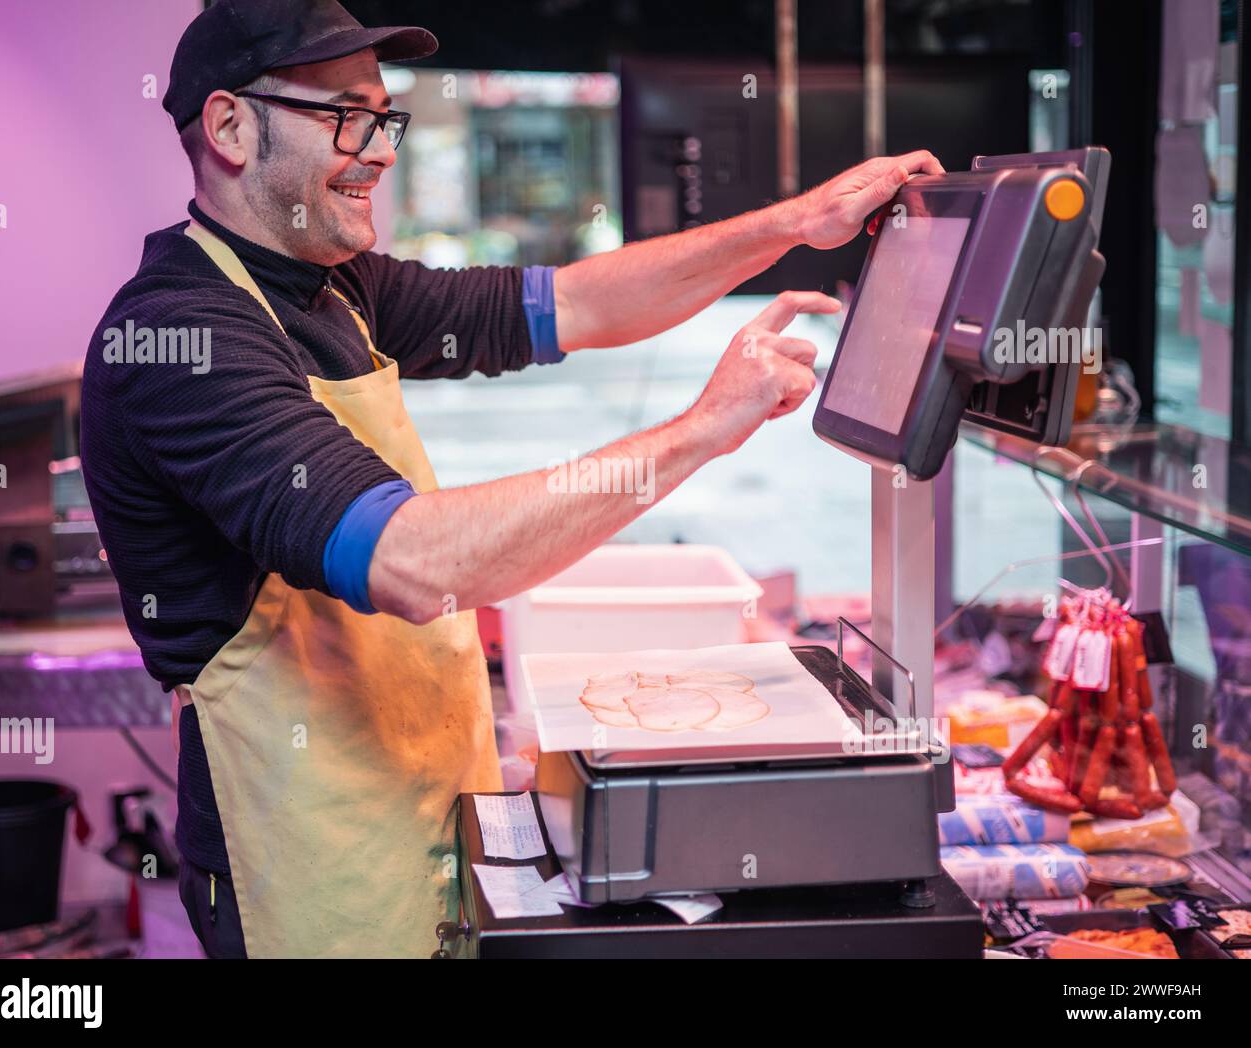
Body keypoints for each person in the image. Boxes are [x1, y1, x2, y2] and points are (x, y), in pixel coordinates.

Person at [80, 0, 944, 957]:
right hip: (307, 862)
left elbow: (573, 301)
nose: (380, 151)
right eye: (345, 118)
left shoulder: (335, 282)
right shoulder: (182, 340)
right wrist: (704, 428)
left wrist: (796, 223)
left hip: (419, 800)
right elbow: (413, 560)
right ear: (232, 125)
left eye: (386, 118)